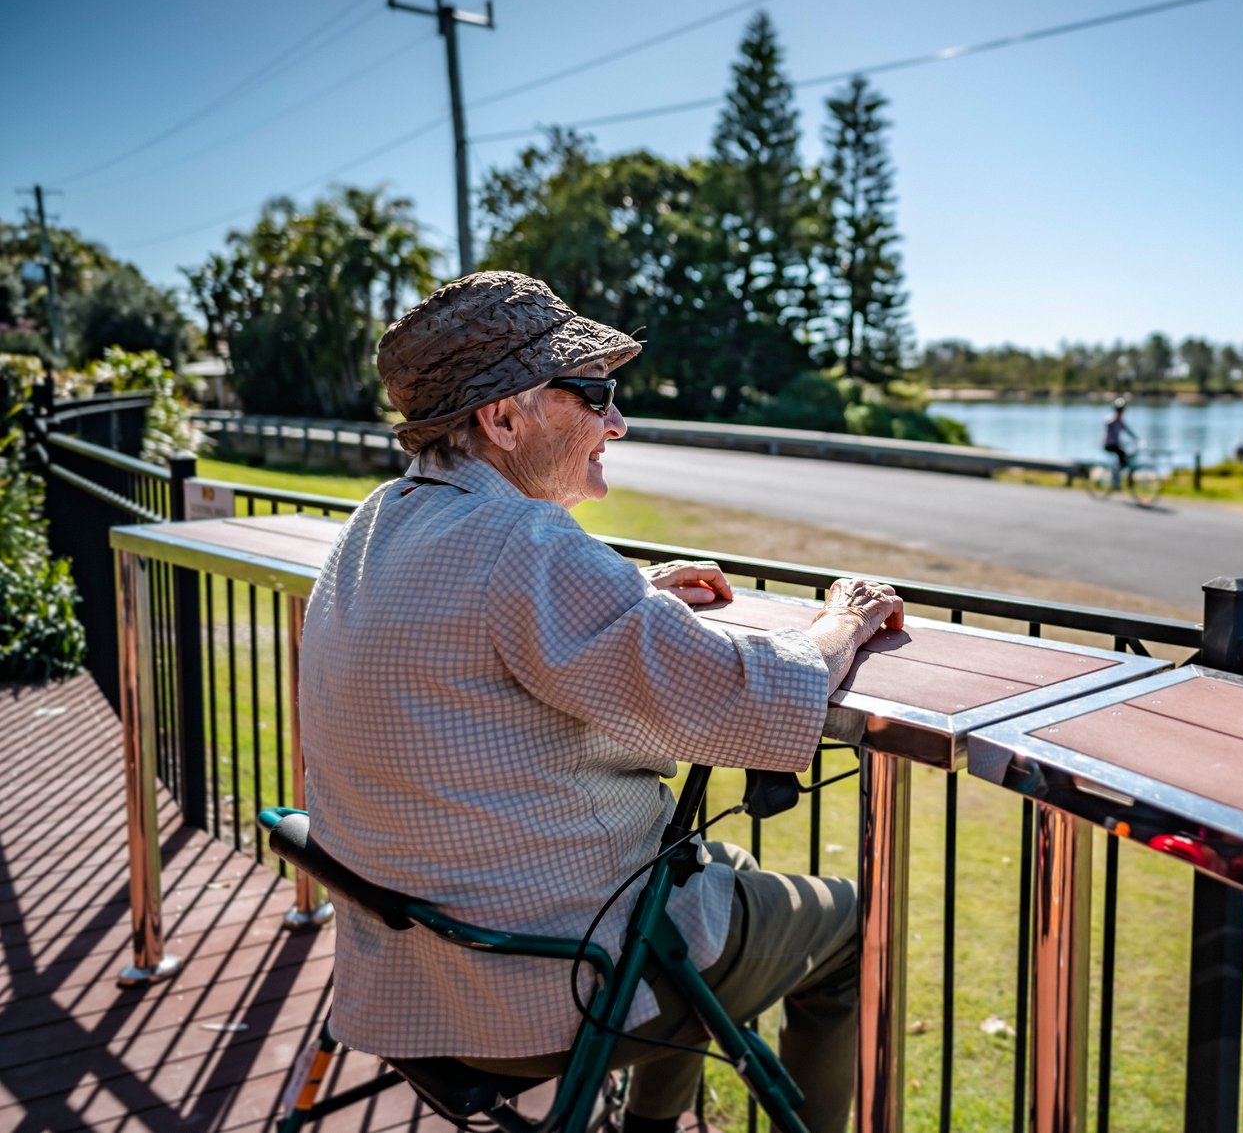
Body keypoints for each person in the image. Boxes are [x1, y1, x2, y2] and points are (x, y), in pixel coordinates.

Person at [299, 272, 900, 1133]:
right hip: (555, 984)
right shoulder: (525, 545)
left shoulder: (378, 521)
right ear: (502, 419)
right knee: (853, 925)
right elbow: (752, 696)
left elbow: (472, 633)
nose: (615, 422)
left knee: (711, 871)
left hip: (417, 980)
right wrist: (846, 620)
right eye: (592, 394)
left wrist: (632, 591)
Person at [1103, 398, 1136, 487]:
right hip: (1109, 445)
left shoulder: (1121, 422)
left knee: (1126, 458)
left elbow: (1129, 431)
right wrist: (1115, 419)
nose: (1121, 412)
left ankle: (1118, 475)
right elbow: (1107, 424)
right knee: (1123, 457)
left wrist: (1137, 439)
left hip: (1117, 445)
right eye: (1120, 410)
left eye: (1122, 410)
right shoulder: (1111, 419)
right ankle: (1115, 475)